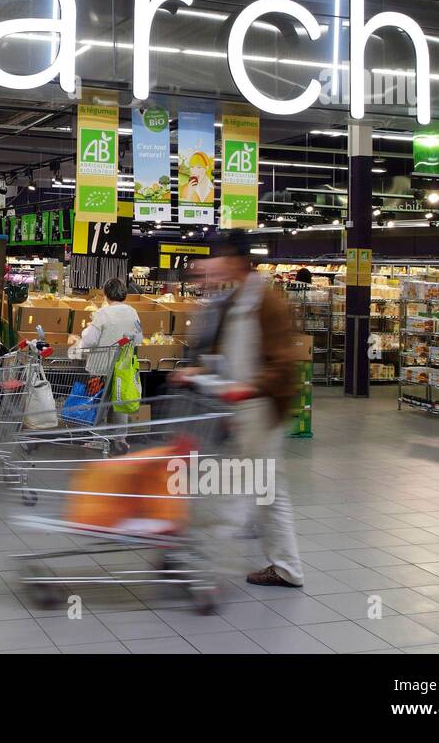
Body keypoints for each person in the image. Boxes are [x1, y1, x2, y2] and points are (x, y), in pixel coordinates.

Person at [174, 229, 304, 589]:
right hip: (246, 410)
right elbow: (225, 351)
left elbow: (283, 364)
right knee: (268, 491)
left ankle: (213, 567)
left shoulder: (267, 302)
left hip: (261, 411)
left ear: (237, 260)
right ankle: (286, 568)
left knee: (239, 489)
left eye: (223, 258)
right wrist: (198, 370)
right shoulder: (237, 299)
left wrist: (248, 387)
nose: (217, 266)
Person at [73, 277, 143, 375]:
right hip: (123, 369)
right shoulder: (133, 312)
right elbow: (139, 338)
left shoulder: (102, 313)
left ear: (105, 294)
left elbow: (90, 340)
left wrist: (78, 346)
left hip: (101, 368)